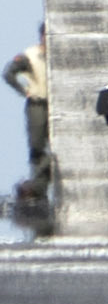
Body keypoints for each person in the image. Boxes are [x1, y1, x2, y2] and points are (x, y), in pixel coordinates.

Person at [7, 25, 56, 236]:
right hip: (37, 104)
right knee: (37, 150)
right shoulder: (30, 55)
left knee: (53, 152)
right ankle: (36, 192)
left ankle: (35, 187)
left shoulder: (58, 54)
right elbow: (8, 73)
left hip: (57, 105)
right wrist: (23, 90)